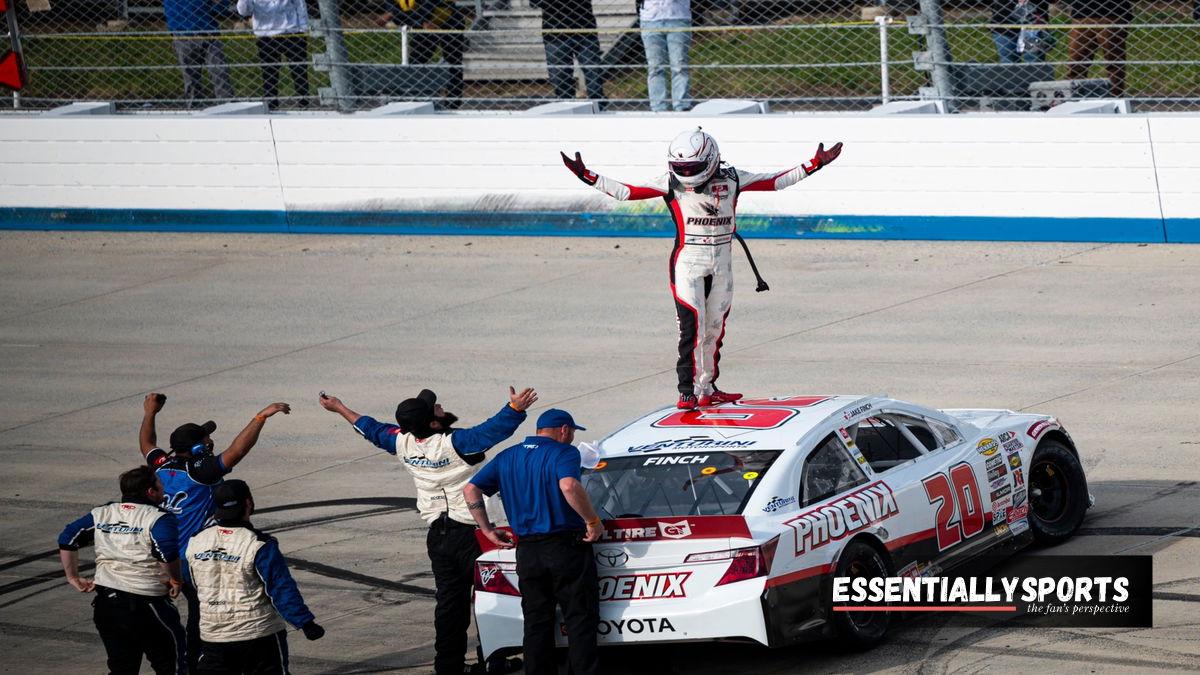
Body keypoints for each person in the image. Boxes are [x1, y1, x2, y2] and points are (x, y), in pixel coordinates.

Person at [560, 128, 843, 409]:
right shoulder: (669, 182)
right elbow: (625, 192)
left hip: (722, 263)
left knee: (715, 330)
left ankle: (707, 388)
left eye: (692, 167)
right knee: (691, 331)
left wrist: (814, 164)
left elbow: (776, 181)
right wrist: (586, 175)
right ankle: (686, 392)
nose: (686, 173)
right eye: (680, 167)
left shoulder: (733, 178)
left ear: (710, 159)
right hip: (688, 264)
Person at [319, 386, 535, 675]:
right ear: (433, 421)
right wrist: (515, 408)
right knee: (491, 597)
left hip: (438, 536)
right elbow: (494, 430)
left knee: (449, 604)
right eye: (434, 408)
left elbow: (369, 428)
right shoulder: (457, 443)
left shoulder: (401, 441)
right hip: (474, 534)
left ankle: (448, 667)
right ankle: (493, 659)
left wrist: (340, 407)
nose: (440, 406)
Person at [139, 393, 291, 673]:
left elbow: (147, 444)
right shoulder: (201, 472)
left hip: (163, 558)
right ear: (197, 448)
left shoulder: (160, 466)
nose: (211, 442)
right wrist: (261, 417)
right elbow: (238, 451)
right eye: (206, 439)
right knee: (204, 615)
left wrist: (150, 412)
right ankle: (201, 664)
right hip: (192, 561)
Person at [464, 409, 604, 675]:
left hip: (527, 550)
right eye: (573, 432)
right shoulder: (564, 452)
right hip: (565, 546)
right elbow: (569, 487)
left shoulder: (507, 456)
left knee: (536, 620)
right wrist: (593, 521)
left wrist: (488, 529)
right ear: (564, 429)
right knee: (579, 618)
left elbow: (471, 489)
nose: (572, 437)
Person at [183, 480, 324, 674]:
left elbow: (193, 583)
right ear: (248, 503)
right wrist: (306, 623)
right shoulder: (259, 544)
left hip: (214, 634)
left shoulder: (195, 541)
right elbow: (280, 588)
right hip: (258, 635)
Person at [57, 466, 188, 675]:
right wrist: (176, 580)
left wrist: (72, 577)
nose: (163, 488)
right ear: (150, 491)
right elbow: (167, 552)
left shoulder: (102, 513)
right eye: (159, 484)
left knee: (122, 668)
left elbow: (68, 538)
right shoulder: (158, 517)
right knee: (173, 665)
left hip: (107, 606)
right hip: (148, 605)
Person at [378, 0, 466, 109]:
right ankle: (416, 99)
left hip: (450, 22)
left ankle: (453, 103)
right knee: (416, 62)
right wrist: (397, 15)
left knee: (453, 63)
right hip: (425, 24)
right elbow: (398, 16)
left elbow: (426, 10)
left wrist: (394, 14)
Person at [236, 0, 311, 109]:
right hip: (266, 35)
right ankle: (271, 107)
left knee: (299, 71)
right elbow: (244, 11)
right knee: (269, 74)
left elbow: (299, 4)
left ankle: (304, 104)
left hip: (291, 32)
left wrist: (303, 28)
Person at [163, 0, 235, 105]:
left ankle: (228, 107)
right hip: (182, 34)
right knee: (191, 80)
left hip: (208, 33)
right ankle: (195, 109)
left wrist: (219, 3)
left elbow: (222, 9)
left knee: (220, 74)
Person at [531, 0, 606, 102]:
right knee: (560, 78)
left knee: (593, 74)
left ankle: (598, 108)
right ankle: (567, 109)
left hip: (585, 29)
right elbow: (535, 2)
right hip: (555, 33)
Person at [1066, 0, 1132, 97]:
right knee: (1076, 60)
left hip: (1112, 13)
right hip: (1081, 13)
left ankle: (1116, 97)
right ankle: (1074, 96)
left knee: (1113, 60)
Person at [640, 0, 692, 111]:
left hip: (678, 17)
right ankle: (658, 108)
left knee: (679, 66)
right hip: (650, 20)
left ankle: (681, 106)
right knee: (655, 67)